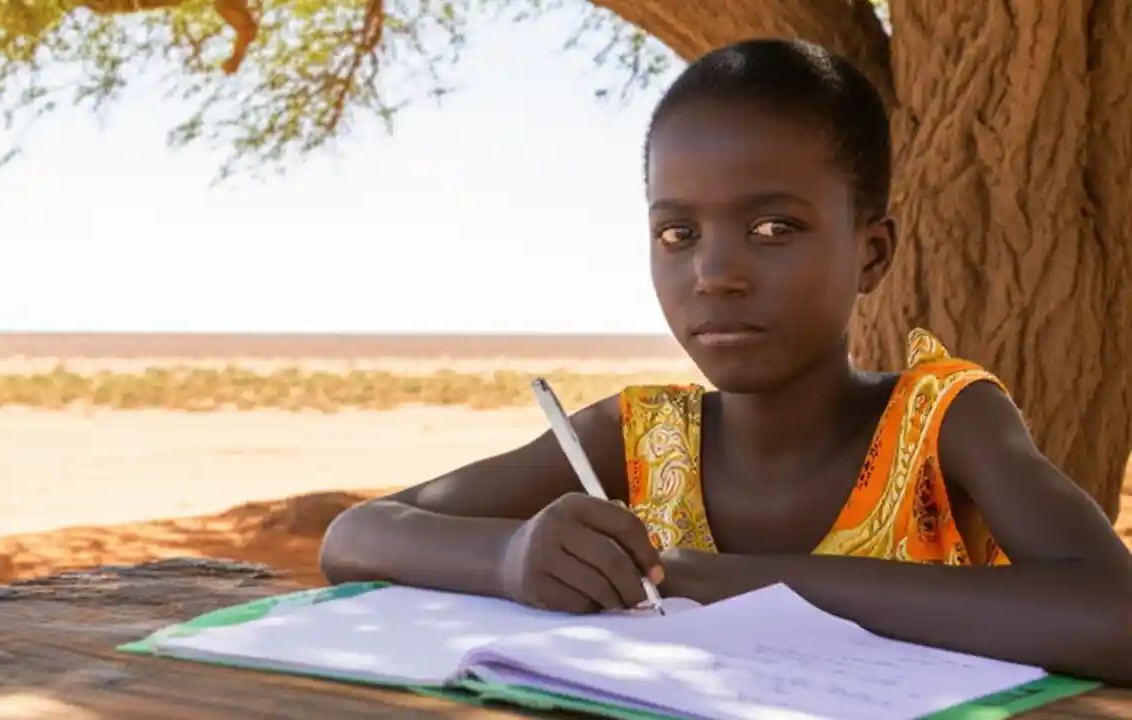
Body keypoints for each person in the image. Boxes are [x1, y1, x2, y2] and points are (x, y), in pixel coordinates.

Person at [319, 38, 1132, 686]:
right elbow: (357, 535)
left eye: (774, 227)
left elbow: (1114, 615)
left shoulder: (942, 422)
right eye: (679, 234)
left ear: (872, 254)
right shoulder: (637, 436)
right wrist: (509, 557)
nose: (715, 274)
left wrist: (716, 581)